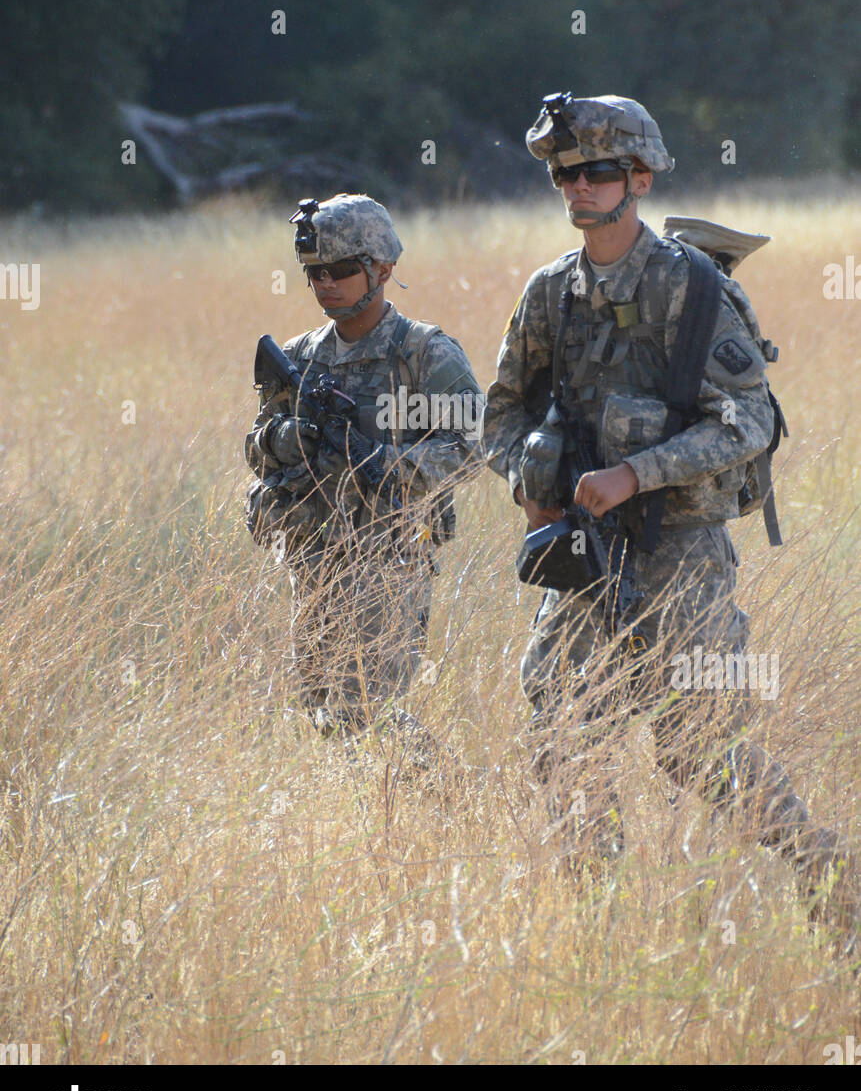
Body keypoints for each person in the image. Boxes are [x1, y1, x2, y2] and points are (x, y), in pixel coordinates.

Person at [481, 92, 857, 950]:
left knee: (699, 754)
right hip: (580, 553)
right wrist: (528, 484)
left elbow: (748, 422)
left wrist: (634, 473)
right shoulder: (548, 294)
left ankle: (828, 878)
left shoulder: (694, 289)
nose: (576, 187)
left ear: (638, 179)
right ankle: (602, 928)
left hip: (681, 553)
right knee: (560, 737)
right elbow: (498, 414)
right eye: (563, 173)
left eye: (595, 172)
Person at [244, 192, 482, 767]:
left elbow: (473, 448)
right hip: (313, 559)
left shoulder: (422, 353)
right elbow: (257, 447)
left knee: (366, 711)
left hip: (388, 562)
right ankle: (399, 807)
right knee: (322, 710)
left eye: (343, 270)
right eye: (314, 273)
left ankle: (444, 794)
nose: (327, 283)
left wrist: (385, 467)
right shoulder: (300, 357)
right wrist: (287, 438)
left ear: (383, 270)